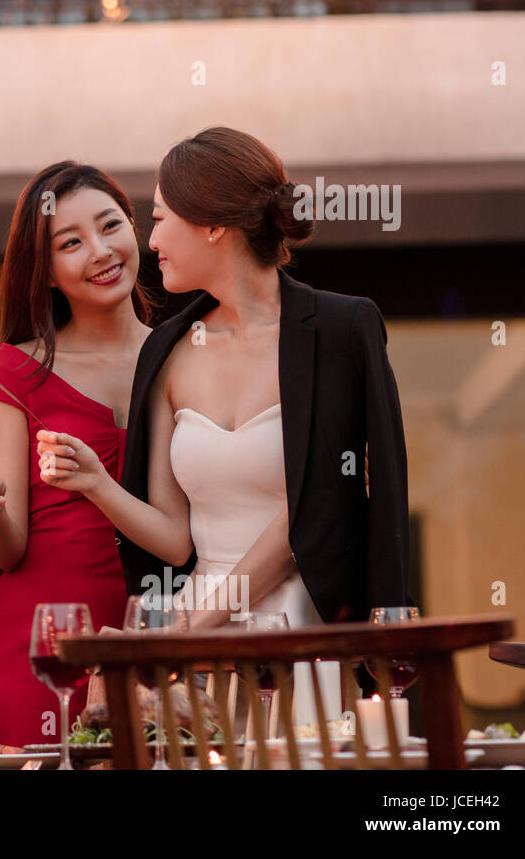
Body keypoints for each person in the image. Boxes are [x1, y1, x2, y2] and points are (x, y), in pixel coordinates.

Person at [38, 127, 411, 723]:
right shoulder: (167, 348)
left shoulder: (342, 330)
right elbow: (175, 539)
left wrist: (195, 628)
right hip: (193, 635)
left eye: (160, 219)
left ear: (212, 224)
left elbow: (315, 508)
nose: (150, 238)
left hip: (296, 631)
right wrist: (96, 484)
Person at [0, 162, 152, 747]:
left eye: (109, 225)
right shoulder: (13, 371)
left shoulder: (183, 354)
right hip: (42, 643)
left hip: (156, 633)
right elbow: (8, 552)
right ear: (43, 271)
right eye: (71, 243)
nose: (100, 251)